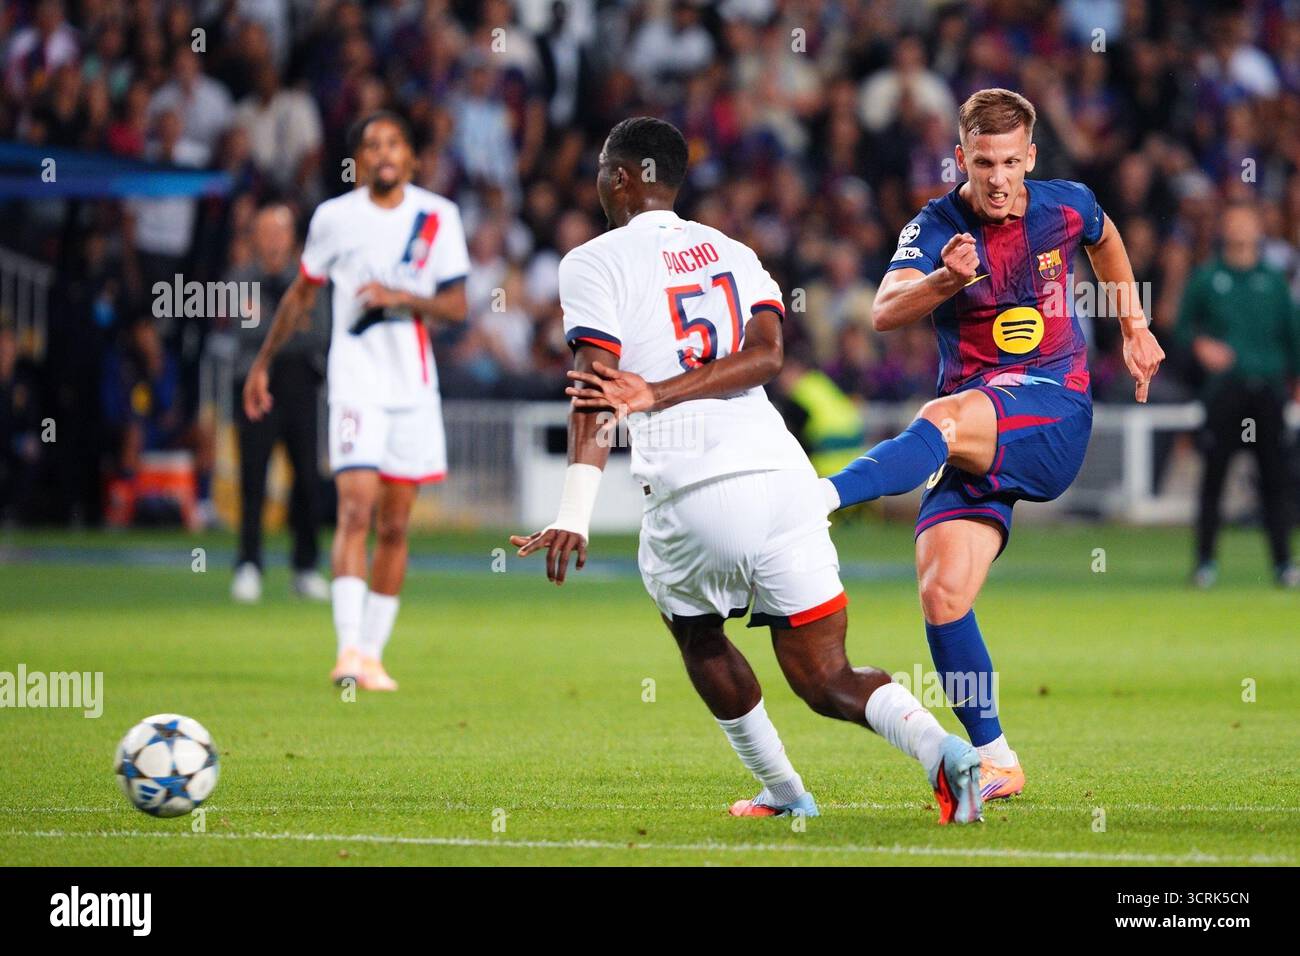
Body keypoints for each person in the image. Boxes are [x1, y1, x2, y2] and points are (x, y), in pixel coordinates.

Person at [511, 117, 985, 825]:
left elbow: (594, 385)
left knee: (698, 634)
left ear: (619, 178)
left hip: (694, 487)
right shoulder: (731, 250)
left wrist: (575, 509)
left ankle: (788, 792)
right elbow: (769, 357)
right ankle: (941, 748)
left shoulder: (590, 261)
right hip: (783, 480)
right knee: (829, 676)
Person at [816, 89, 1165, 801]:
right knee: (941, 589)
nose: (998, 177)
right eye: (983, 162)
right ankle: (998, 757)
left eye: (1010, 161)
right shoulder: (937, 225)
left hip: (1052, 411)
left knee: (943, 417)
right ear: (961, 160)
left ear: (1030, 157)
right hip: (983, 433)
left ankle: (813, 498)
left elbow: (1104, 237)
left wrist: (1132, 325)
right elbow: (884, 311)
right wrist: (947, 278)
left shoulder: (1064, 204)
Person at [243, 111, 469, 691]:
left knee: (395, 526)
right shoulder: (334, 218)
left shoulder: (438, 217)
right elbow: (300, 295)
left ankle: (372, 654)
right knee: (354, 511)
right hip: (356, 384)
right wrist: (263, 362)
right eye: (371, 145)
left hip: (413, 389)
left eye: (394, 142)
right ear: (358, 160)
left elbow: (456, 307)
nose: (383, 153)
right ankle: (346, 650)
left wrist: (400, 296)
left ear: (412, 158)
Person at [1177, 201, 1300, 589]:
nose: (1241, 228)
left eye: (1248, 220)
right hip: (1224, 392)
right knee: (1213, 477)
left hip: (1267, 390)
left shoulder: (1274, 279)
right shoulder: (1207, 277)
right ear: (1223, 227)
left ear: (1259, 227)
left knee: (1275, 481)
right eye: (1233, 220)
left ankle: (1283, 564)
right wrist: (1201, 347)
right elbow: (1180, 330)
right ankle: (1204, 563)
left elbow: (1293, 336)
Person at [229, 203, 330, 604]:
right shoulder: (240, 278)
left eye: (279, 232)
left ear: (292, 239)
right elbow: (243, 329)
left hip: (300, 386)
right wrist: (289, 323)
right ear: (254, 236)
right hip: (255, 386)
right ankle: (248, 564)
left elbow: (318, 332)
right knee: (252, 477)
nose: (272, 240)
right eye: (265, 231)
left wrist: (270, 327)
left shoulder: (310, 282)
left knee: (306, 477)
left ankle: (305, 567)